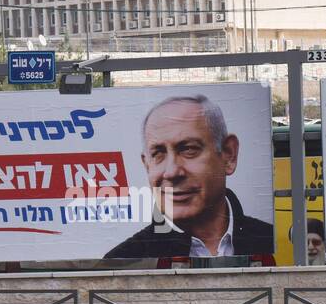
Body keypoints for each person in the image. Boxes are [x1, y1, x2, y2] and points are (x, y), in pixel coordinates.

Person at [105, 94, 274, 258]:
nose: (171, 172)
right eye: (158, 153)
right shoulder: (124, 260)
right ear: (147, 165)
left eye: (188, 149)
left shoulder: (270, 241)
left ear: (229, 155)